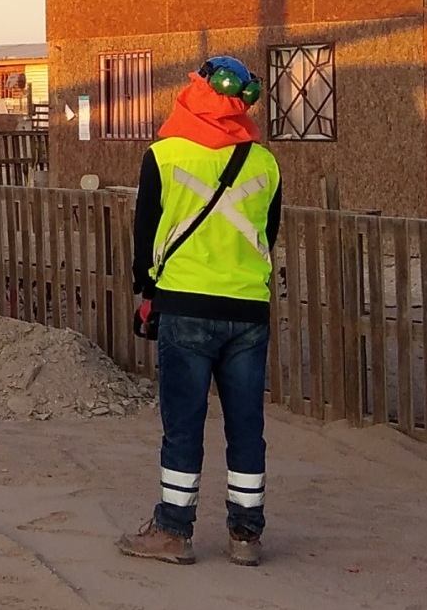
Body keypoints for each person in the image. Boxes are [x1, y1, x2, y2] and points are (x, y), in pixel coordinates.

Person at [117, 55, 284, 569]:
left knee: (184, 424)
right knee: (246, 425)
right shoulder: (265, 163)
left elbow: (144, 235)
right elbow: (266, 235)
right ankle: (246, 535)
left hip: (185, 306)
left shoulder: (164, 156)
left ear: (194, 94)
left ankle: (173, 529)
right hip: (247, 309)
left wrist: (147, 291)